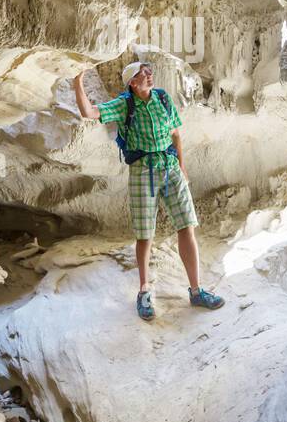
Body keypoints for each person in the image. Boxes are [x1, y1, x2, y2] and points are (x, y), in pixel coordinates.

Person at [72, 61, 225, 321]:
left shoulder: (162, 98)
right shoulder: (124, 104)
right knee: (145, 235)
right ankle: (143, 292)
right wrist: (78, 81)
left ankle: (197, 291)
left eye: (149, 71)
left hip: (170, 167)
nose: (149, 75)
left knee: (186, 225)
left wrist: (182, 166)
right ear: (132, 82)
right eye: (143, 73)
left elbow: (176, 135)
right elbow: (89, 112)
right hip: (143, 171)